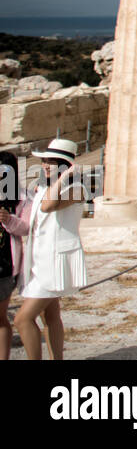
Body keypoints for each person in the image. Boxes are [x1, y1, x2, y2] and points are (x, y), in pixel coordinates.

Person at [13, 139, 87, 359]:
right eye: (44, 161)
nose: (45, 165)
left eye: (51, 162)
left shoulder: (77, 189)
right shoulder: (43, 188)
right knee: (50, 316)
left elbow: (49, 206)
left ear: (65, 165)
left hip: (56, 262)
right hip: (39, 260)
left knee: (22, 319)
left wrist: (64, 178)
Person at [0, 150, 29, 361]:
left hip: (5, 264)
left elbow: (26, 228)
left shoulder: (21, 198)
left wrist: (8, 220)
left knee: (0, 318)